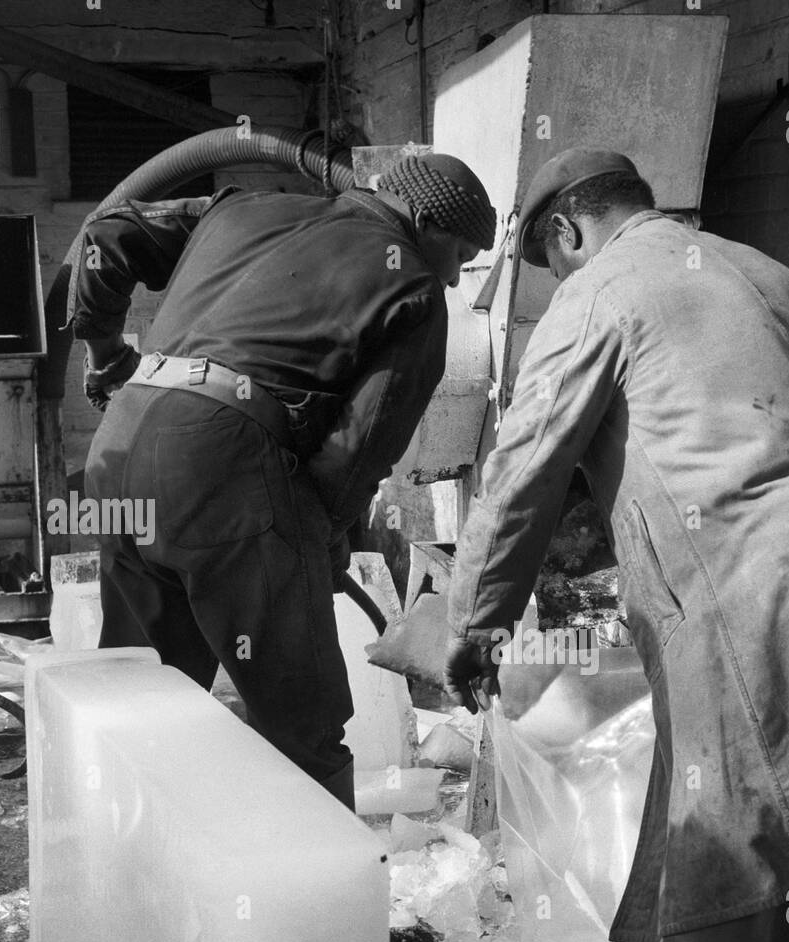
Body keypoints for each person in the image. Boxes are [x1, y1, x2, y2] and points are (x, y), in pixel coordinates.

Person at [444, 148, 789, 942]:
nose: (556, 273)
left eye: (550, 258)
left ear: (566, 230)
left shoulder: (597, 289)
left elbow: (523, 471)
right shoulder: (766, 272)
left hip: (751, 559)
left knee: (723, 824)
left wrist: (473, 624)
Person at [73, 153, 496, 813]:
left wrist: (103, 348)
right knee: (298, 718)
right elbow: (357, 450)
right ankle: (317, 905)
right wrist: (315, 539)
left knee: (145, 691)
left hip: (122, 444)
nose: (452, 273)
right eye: (460, 252)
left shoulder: (242, 206)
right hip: (222, 465)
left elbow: (106, 236)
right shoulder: (412, 289)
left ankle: (146, 882)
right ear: (424, 219)